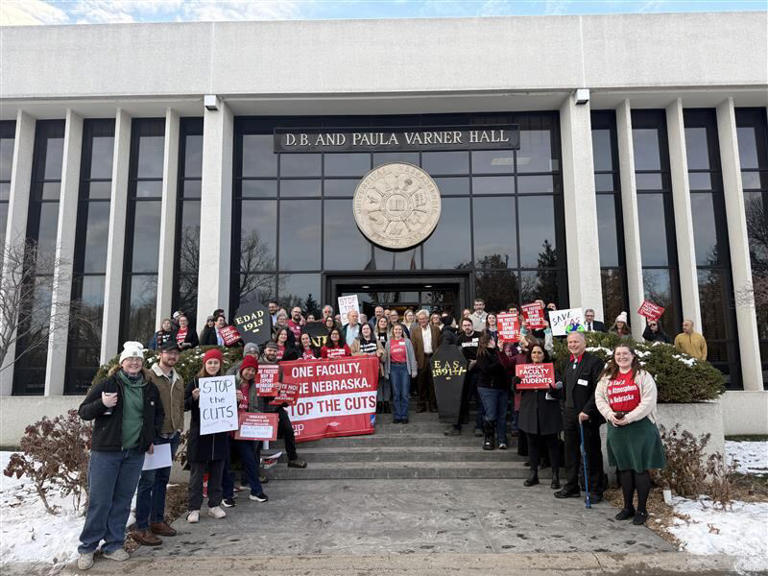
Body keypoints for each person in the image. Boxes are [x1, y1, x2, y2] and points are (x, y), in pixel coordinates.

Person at [76, 342, 164, 570]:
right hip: (106, 452)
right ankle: (87, 547)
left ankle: (113, 544)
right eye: (129, 359)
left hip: (134, 454)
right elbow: (84, 411)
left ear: (142, 364)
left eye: (138, 359)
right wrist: (101, 403)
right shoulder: (108, 384)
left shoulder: (149, 387)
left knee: (123, 501)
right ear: (122, 363)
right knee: (100, 501)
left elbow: (157, 415)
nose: (134, 363)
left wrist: (149, 438)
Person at [595, 343, 666, 525]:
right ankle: (627, 507)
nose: (621, 357)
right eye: (618, 354)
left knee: (640, 468)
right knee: (624, 468)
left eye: (625, 354)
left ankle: (642, 509)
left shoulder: (643, 376)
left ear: (633, 356)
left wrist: (629, 418)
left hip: (640, 427)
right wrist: (610, 415)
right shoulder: (607, 377)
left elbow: (648, 402)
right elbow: (600, 398)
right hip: (617, 428)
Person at [132, 341, 185, 547]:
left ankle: (157, 520)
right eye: (168, 352)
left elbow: (179, 405)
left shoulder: (178, 378)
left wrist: (179, 426)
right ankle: (141, 526)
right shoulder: (148, 376)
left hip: (171, 436)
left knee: (163, 479)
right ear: (160, 354)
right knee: (147, 481)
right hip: (154, 437)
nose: (172, 356)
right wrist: (147, 437)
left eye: (175, 353)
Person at [554, 332, 606, 502]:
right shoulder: (568, 363)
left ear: (584, 343)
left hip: (586, 415)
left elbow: (598, 390)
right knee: (570, 452)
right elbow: (565, 388)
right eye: (570, 342)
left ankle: (595, 490)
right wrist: (553, 391)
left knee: (591, 453)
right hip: (569, 415)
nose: (573, 345)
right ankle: (571, 486)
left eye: (576, 341)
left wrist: (588, 411)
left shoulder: (594, 362)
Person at [184, 348, 229, 523]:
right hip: (200, 435)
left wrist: (237, 398)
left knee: (217, 472)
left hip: (219, 434)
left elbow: (230, 407)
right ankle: (193, 508)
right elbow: (184, 405)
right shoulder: (195, 382)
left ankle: (214, 505)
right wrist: (193, 398)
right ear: (205, 364)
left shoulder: (225, 382)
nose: (212, 365)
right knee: (196, 474)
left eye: (215, 362)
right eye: (210, 362)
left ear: (220, 365)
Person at [516, 342, 562, 488]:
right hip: (530, 411)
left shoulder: (552, 370)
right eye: (534, 353)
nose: (536, 355)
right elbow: (517, 391)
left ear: (544, 355)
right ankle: (533, 473)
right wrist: (514, 383)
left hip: (548, 411)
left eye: (539, 353)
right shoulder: (524, 370)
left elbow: (561, 391)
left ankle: (555, 475)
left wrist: (553, 389)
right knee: (532, 444)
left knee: (552, 444)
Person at [259, 342, 307, 468]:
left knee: (289, 430)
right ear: (265, 351)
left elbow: (279, 389)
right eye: (270, 350)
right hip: (259, 406)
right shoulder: (257, 364)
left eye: (275, 351)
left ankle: (293, 458)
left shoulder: (278, 368)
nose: (272, 353)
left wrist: (283, 393)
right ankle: (256, 466)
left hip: (275, 405)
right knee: (256, 439)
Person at [232, 354, 269, 503]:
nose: (250, 373)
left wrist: (263, 420)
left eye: (253, 371)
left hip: (245, 429)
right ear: (242, 369)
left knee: (250, 459)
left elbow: (254, 407)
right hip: (229, 429)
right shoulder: (231, 383)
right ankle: (226, 493)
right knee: (226, 463)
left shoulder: (253, 386)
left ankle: (256, 490)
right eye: (248, 369)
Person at [475, 333, 513, 451]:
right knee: (491, 414)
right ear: (487, 341)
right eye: (492, 340)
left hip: (502, 387)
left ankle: (502, 439)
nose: (494, 341)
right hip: (488, 387)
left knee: (502, 415)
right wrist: (500, 361)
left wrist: (502, 354)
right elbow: (487, 369)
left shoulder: (498, 352)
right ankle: (489, 438)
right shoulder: (482, 354)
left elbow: (507, 365)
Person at [445, 318, 482, 436]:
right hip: (464, 372)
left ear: (472, 325)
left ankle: (480, 426)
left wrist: (476, 361)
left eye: (469, 325)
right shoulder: (459, 338)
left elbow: (486, 351)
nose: (467, 327)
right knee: (461, 399)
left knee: (479, 401)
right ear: (462, 327)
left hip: (479, 371)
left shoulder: (480, 336)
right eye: (464, 325)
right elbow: (456, 354)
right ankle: (457, 426)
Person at [384, 323, 418, 424]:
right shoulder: (388, 343)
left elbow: (412, 356)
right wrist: (386, 371)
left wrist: (414, 370)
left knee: (404, 393)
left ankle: (404, 415)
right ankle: (397, 415)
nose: (398, 331)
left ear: (402, 331)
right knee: (396, 393)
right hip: (393, 368)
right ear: (393, 331)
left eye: (400, 330)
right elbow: (386, 360)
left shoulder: (407, 341)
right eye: (396, 329)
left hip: (404, 368)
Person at [351, 323, 387, 412]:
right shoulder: (356, 341)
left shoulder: (376, 340)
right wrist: (363, 355)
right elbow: (352, 353)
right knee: (365, 388)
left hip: (375, 369)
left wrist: (380, 352)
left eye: (367, 329)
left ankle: (378, 405)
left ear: (371, 330)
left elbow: (383, 351)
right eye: (364, 329)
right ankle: (367, 407)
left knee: (376, 386)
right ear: (361, 331)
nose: (366, 330)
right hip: (362, 370)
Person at [410, 309, 441, 413]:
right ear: (418, 320)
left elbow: (440, 344)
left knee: (433, 384)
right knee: (421, 384)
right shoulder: (415, 331)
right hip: (421, 359)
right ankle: (421, 405)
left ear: (428, 319)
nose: (422, 320)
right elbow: (413, 347)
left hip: (433, 358)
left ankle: (433, 405)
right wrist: (414, 361)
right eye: (420, 319)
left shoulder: (435, 329)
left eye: (424, 318)